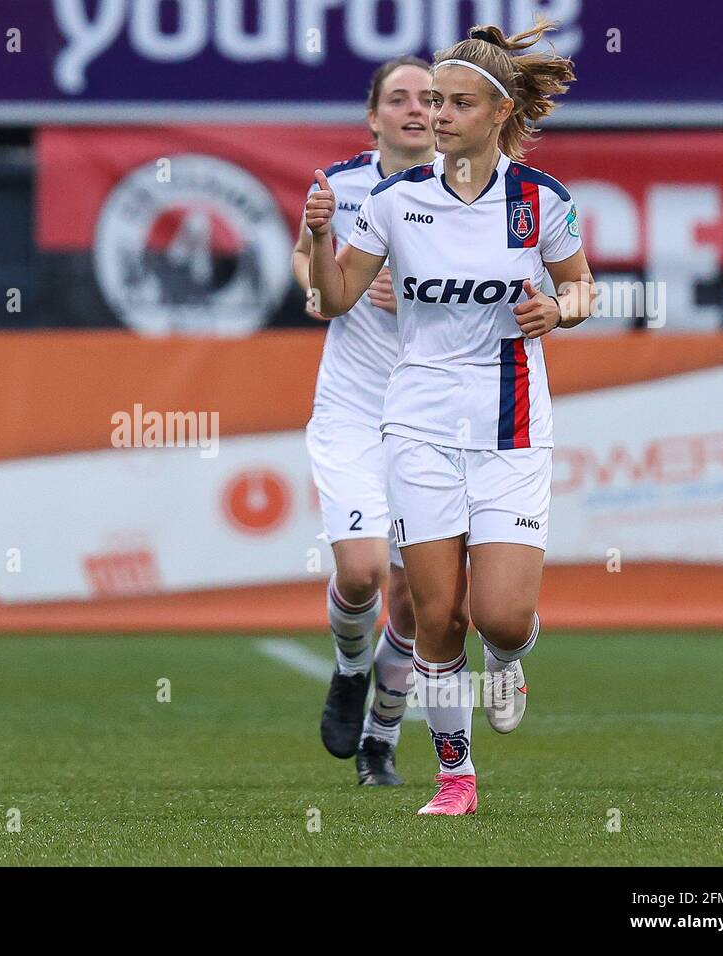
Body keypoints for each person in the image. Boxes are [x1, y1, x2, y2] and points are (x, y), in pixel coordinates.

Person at [304, 19, 595, 815]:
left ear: (499, 113)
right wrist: (323, 236)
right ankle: (455, 780)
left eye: (457, 103)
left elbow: (583, 287)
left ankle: (509, 661)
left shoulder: (541, 201)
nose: (438, 116)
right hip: (419, 427)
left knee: (501, 620)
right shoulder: (395, 201)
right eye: (434, 101)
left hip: (512, 429)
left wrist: (558, 312)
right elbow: (334, 298)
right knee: (438, 614)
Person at [291, 57, 434, 786]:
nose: (415, 109)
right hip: (352, 409)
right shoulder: (341, 187)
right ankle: (351, 668)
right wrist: (327, 269)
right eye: (398, 98)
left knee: (416, 597)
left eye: (428, 98)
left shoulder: (471, 188)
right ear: (373, 117)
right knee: (362, 571)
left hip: (434, 412)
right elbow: (309, 277)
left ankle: (381, 738)